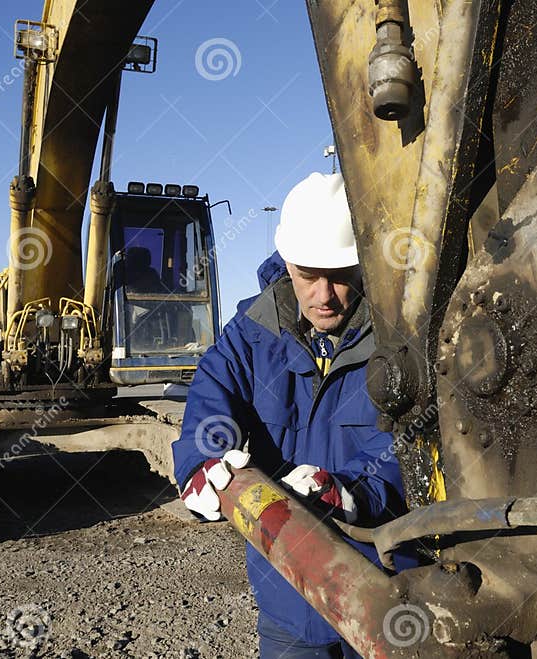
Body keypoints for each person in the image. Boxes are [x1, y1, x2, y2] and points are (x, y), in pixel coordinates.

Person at [171, 172, 414, 658]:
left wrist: (355, 489)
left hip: (385, 592)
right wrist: (202, 461)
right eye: (308, 275)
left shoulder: (400, 337)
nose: (324, 296)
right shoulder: (253, 333)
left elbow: (416, 437)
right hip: (288, 596)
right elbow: (213, 394)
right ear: (286, 263)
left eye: (340, 275)